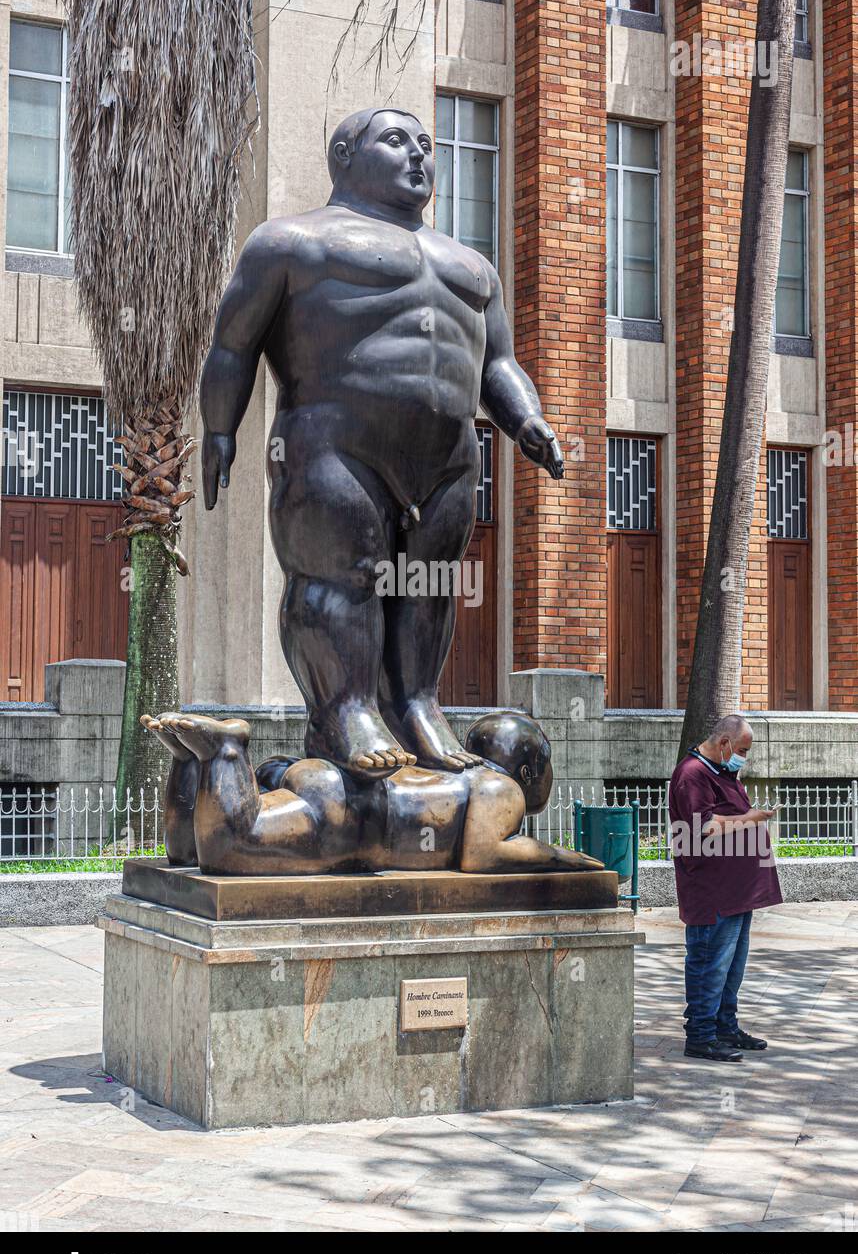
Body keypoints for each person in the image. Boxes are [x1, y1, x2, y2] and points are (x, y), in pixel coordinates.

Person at [199, 107, 563, 781]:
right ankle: (345, 710)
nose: (419, 155)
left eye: (427, 144)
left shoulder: (471, 265)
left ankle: (418, 705)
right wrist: (220, 428)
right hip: (334, 443)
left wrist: (526, 419)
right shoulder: (291, 242)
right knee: (339, 578)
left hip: (448, 458)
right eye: (397, 141)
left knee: (428, 587)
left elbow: (496, 366)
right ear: (345, 155)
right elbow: (233, 344)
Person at [140, 710, 603, 878]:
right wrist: (560, 858)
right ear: (527, 768)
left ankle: (188, 765)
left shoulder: (455, 769)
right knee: (229, 850)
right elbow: (482, 855)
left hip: (336, 789)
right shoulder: (496, 784)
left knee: (193, 858)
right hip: (356, 818)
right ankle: (223, 751)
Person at [668, 714, 782, 1063]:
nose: (743, 758)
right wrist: (752, 818)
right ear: (724, 744)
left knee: (732, 966)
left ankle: (725, 1026)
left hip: (736, 893)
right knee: (709, 963)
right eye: (742, 750)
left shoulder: (720, 771)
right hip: (712, 892)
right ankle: (701, 1036)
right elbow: (703, 828)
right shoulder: (692, 775)